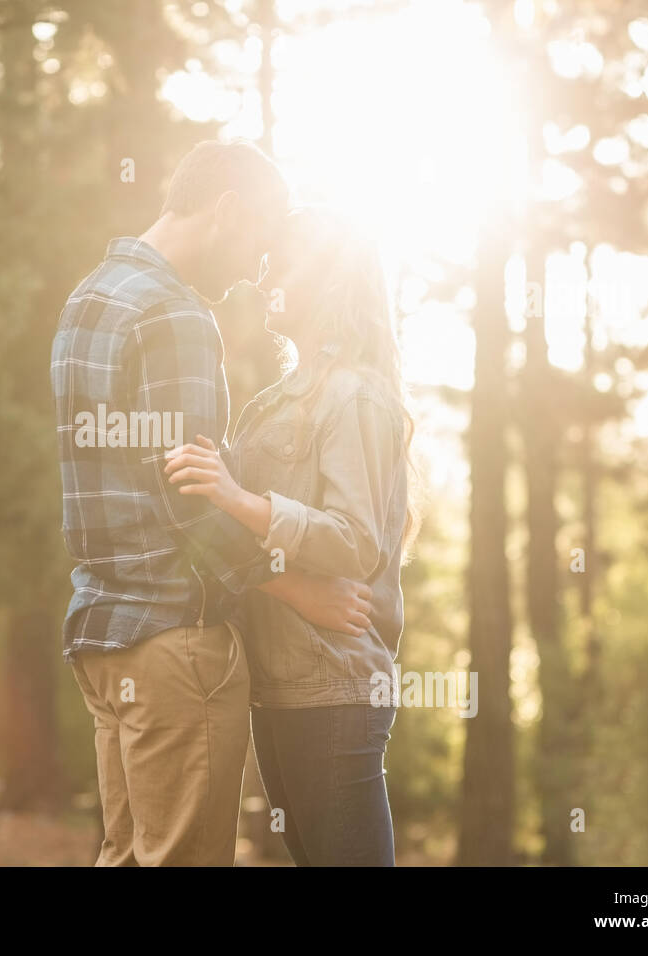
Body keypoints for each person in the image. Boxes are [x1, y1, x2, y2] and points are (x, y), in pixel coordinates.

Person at [51, 142, 375, 866]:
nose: (263, 265)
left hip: (105, 638)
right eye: (263, 237)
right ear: (227, 212)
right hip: (176, 644)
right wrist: (300, 590)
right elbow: (192, 503)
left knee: (128, 856)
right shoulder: (177, 319)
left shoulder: (91, 298)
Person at [163, 205, 420, 865]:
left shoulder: (356, 397)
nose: (266, 272)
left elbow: (356, 542)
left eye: (284, 259)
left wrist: (241, 498)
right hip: (276, 684)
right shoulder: (273, 403)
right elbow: (232, 536)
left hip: (334, 687)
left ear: (329, 280)